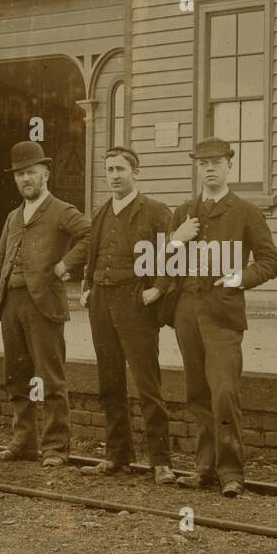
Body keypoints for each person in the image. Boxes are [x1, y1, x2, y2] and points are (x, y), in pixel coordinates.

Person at [162, 137, 277, 497]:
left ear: (230, 164)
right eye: (203, 163)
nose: (209, 168)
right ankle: (204, 468)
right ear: (197, 168)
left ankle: (231, 471)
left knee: (225, 391)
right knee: (196, 392)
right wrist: (175, 241)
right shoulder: (183, 212)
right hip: (186, 311)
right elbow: (163, 265)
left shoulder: (245, 212)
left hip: (223, 312)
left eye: (216, 162)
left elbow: (270, 262)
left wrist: (239, 278)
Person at [0, 141, 91, 468]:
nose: (25, 179)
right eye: (19, 174)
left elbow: (91, 235)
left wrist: (65, 265)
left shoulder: (61, 210)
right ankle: (24, 442)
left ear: (45, 173)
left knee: (50, 379)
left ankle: (56, 448)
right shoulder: (13, 217)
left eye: (31, 172)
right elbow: (0, 261)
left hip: (43, 305)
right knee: (18, 377)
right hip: (11, 305)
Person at [79, 147, 176, 485]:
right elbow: (93, 254)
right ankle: (116, 456)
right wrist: (87, 286)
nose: (114, 175)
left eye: (121, 169)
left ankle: (161, 461)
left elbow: (174, 253)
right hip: (101, 303)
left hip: (136, 302)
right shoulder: (101, 212)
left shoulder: (155, 212)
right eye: (109, 169)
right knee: (109, 382)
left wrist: (160, 288)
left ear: (136, 172)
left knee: (148, 384)